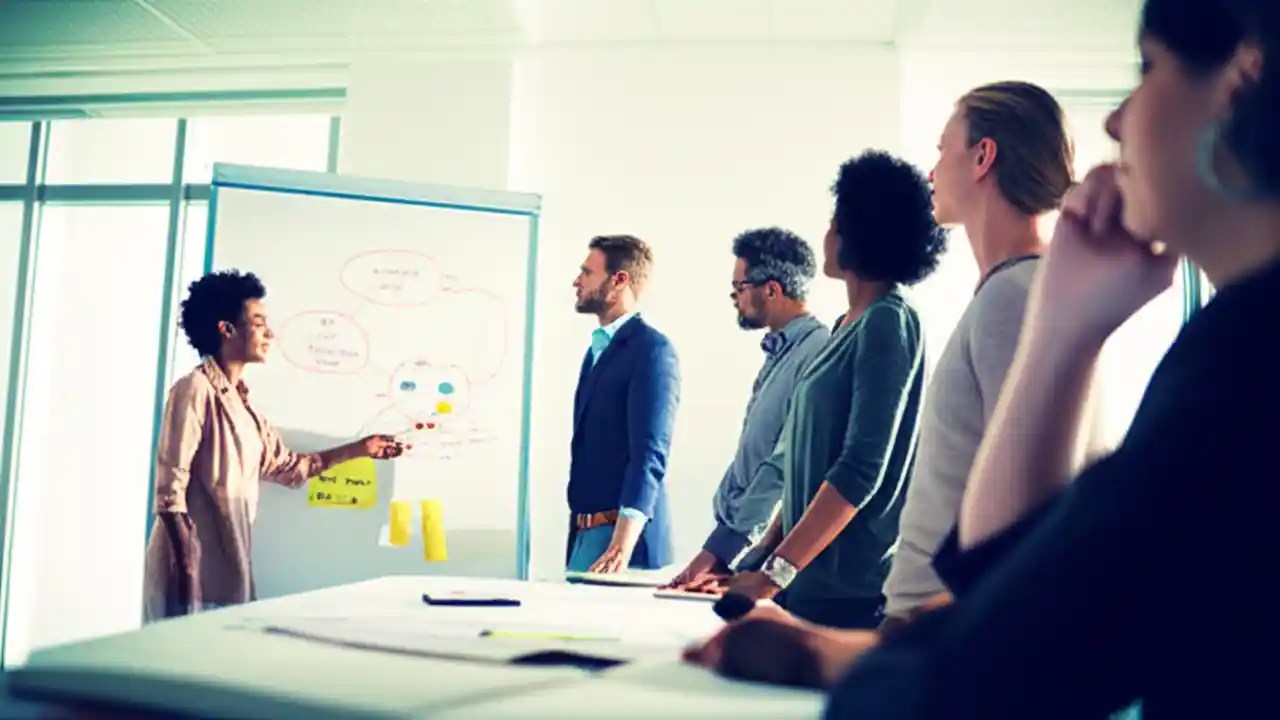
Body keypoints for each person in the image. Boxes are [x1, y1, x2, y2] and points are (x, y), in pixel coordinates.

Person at [690, 0, 1280, 715]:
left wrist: (848, 644)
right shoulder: (1220, 344)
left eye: (1150, 68)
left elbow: (1039, 629)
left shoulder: (1238, 371)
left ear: (1242, 78)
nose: (1117, 123)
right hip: (937, 637)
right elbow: (1060, 595)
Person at [879, 80, 1080, 630]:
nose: (931, 170)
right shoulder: (1017, 293)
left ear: (982, 156)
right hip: (938, 617)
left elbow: (1029, 508)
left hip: (943, 624)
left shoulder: (1017, 298)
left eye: (942, 149)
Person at [718, 151, 948, 629]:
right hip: (804, 584)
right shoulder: (846, 325)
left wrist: (777, 573)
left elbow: (861, 469)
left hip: (847, 595)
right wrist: (765, 554)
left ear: (860, 232)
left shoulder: (889, 320)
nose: (827, 232)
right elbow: (809, 461)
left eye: (836, 221)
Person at [143, 270, 403, 621]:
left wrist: (361, 449)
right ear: (227, 329)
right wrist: (186, 568)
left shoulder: (247, 409)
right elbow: (169, 490)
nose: (271, 333)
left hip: (229, 569)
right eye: (259, 323)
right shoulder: (194, 389)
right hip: (190, 576)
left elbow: (290, 468)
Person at [664, 228, 829, 590]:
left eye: (739, 287)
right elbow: (755, 457)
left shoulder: (817, 353)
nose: (734, 298)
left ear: (771, 289)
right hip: (742, 550)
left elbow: (780, 466)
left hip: (774, 560)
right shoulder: (780, 351)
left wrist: (721, 550)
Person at [566, 235, 680, 573]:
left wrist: (622, 544)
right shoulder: (596, 351)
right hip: (586, 533)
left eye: (587, 272)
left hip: (623, 542)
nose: (577, 281)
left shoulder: (652, 350)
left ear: (619, 281)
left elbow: (650, 452)